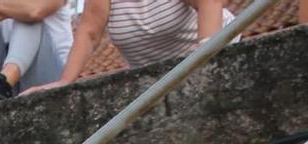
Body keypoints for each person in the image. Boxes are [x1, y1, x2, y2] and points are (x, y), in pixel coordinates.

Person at [31, 0, 227, 91]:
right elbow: (89, 33)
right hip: (155, 80)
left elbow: (209, 3)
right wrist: (65, 81)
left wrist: (205, 60)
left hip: (211, 57)